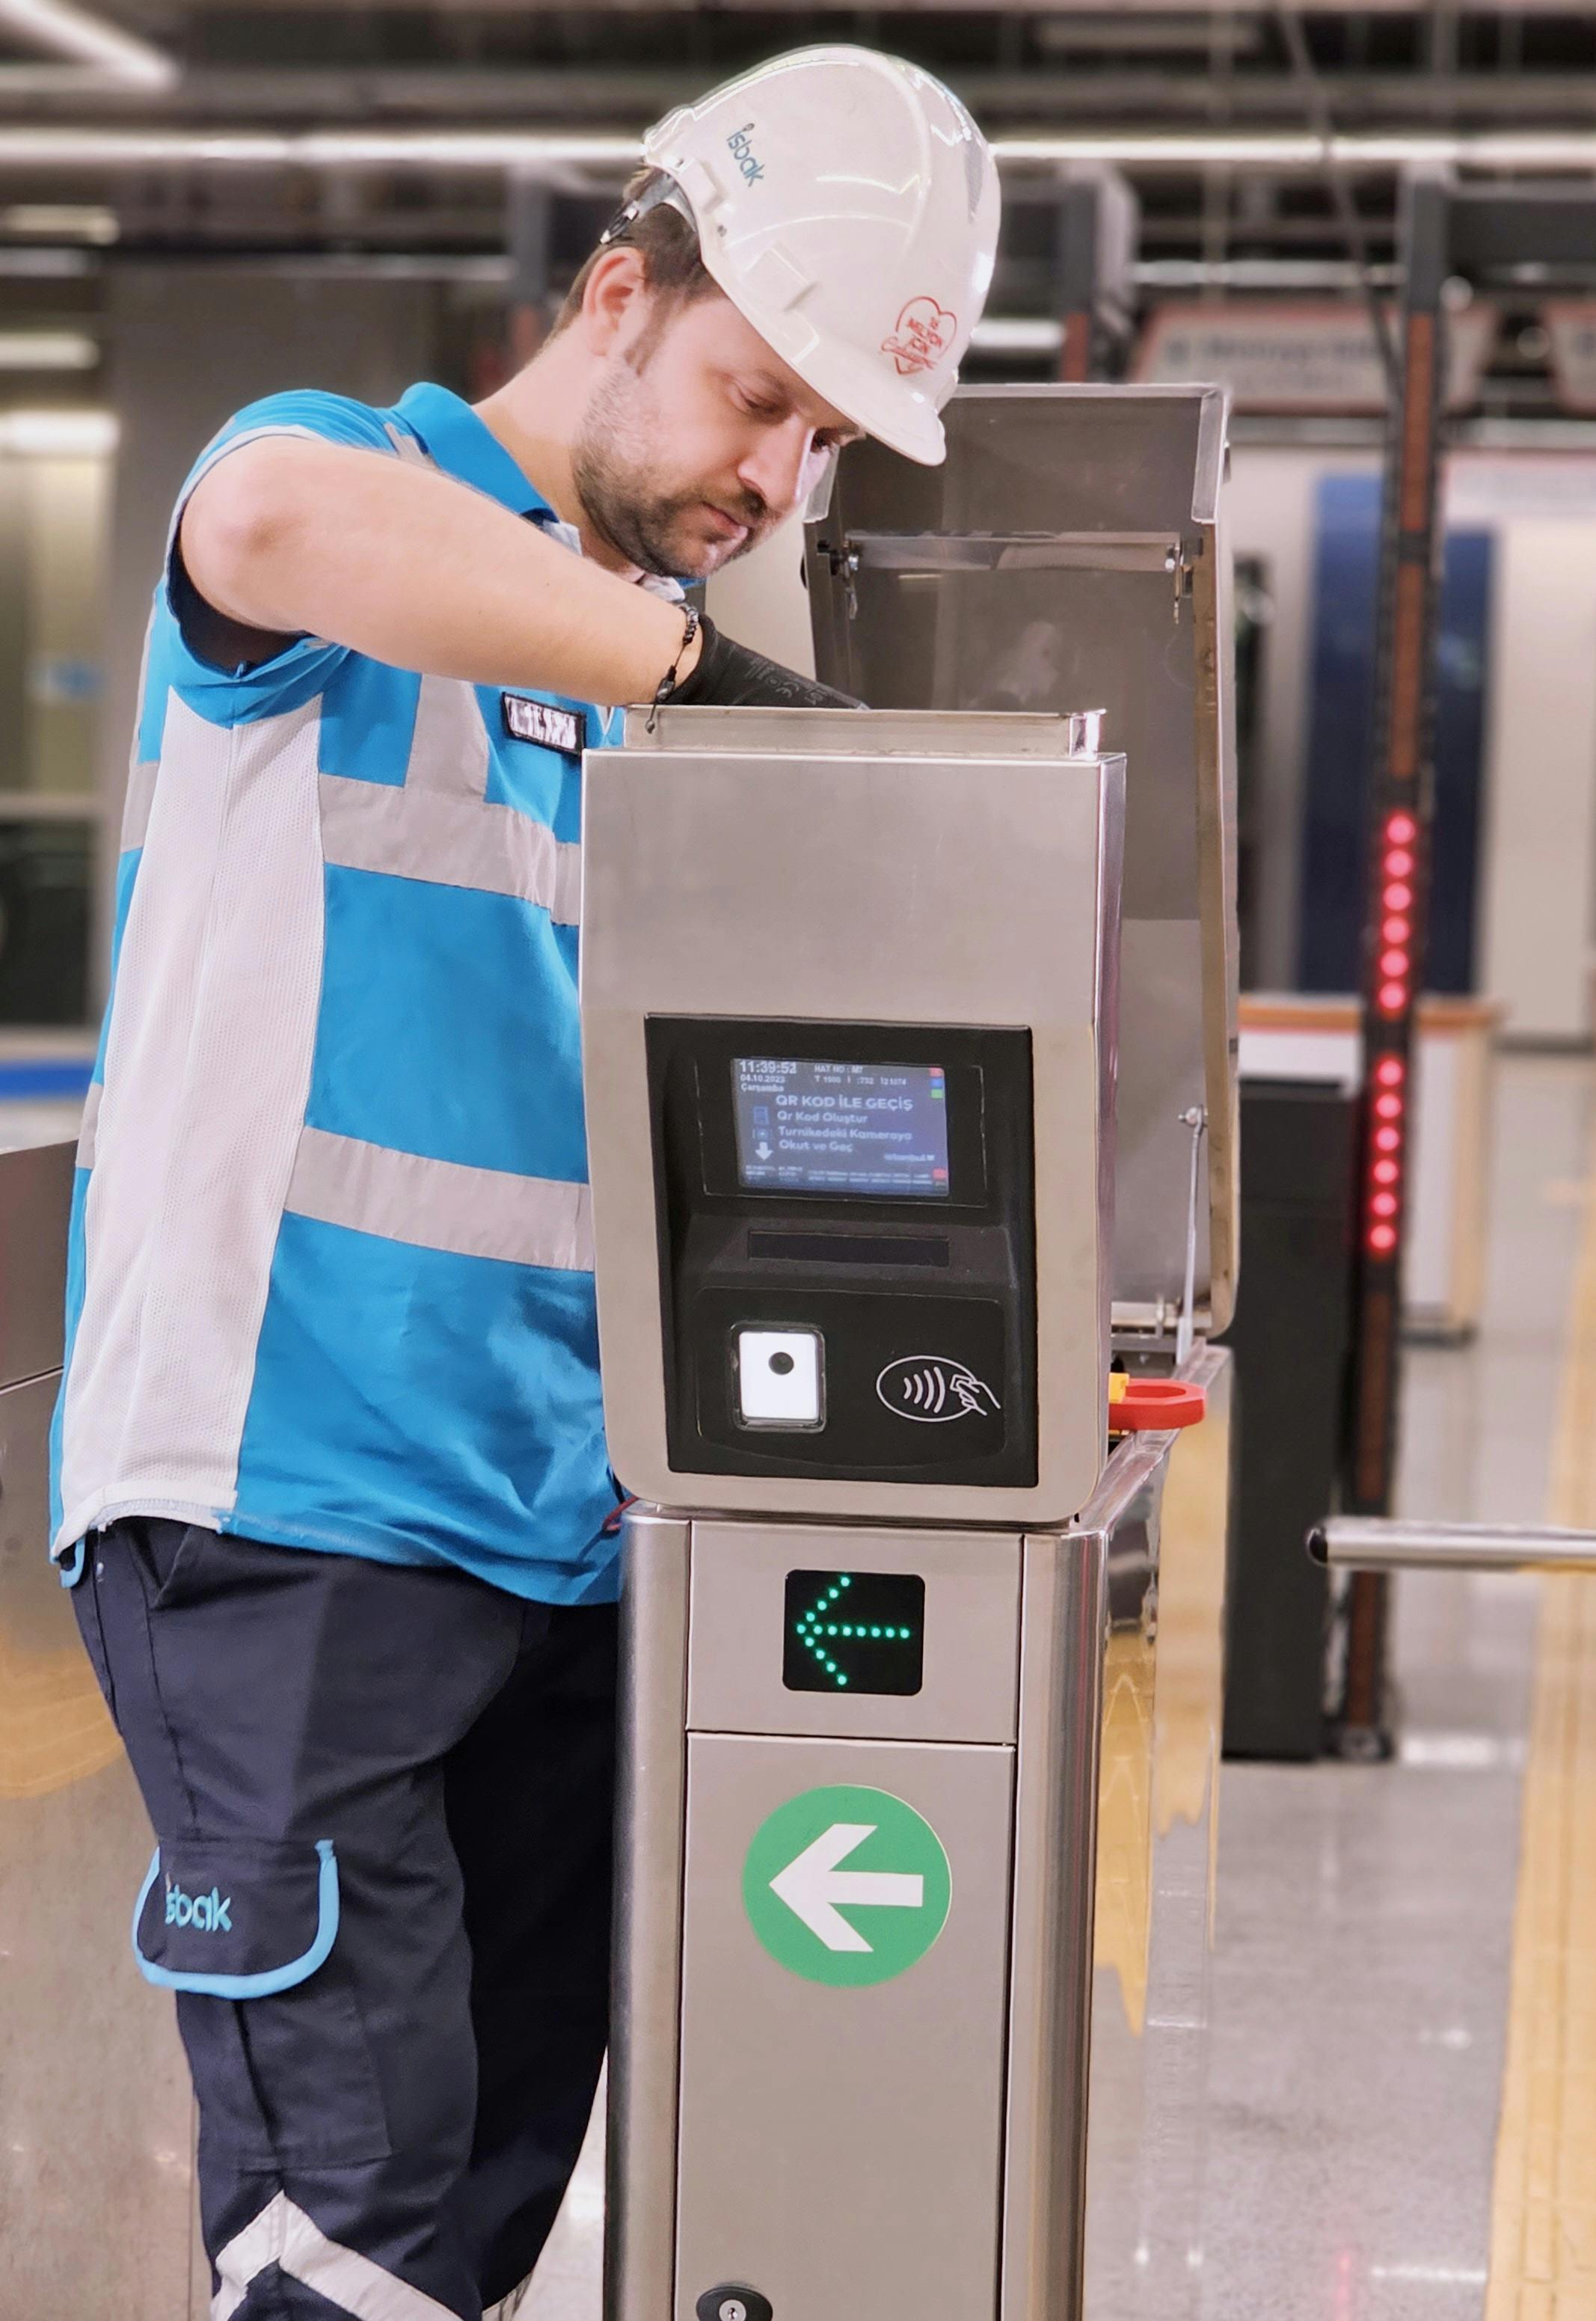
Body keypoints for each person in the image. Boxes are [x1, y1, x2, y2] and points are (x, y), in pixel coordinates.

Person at [52, 42, 999, 2321]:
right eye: (754, 399)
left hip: (559, 1540)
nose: (774, 479)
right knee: (346, 2219)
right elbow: (265, 525)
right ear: (611, 288)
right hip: (288, 1517)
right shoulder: (349, 507)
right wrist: (710, 687)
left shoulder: (633, 697)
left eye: (820, 446)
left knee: (476, 2206)